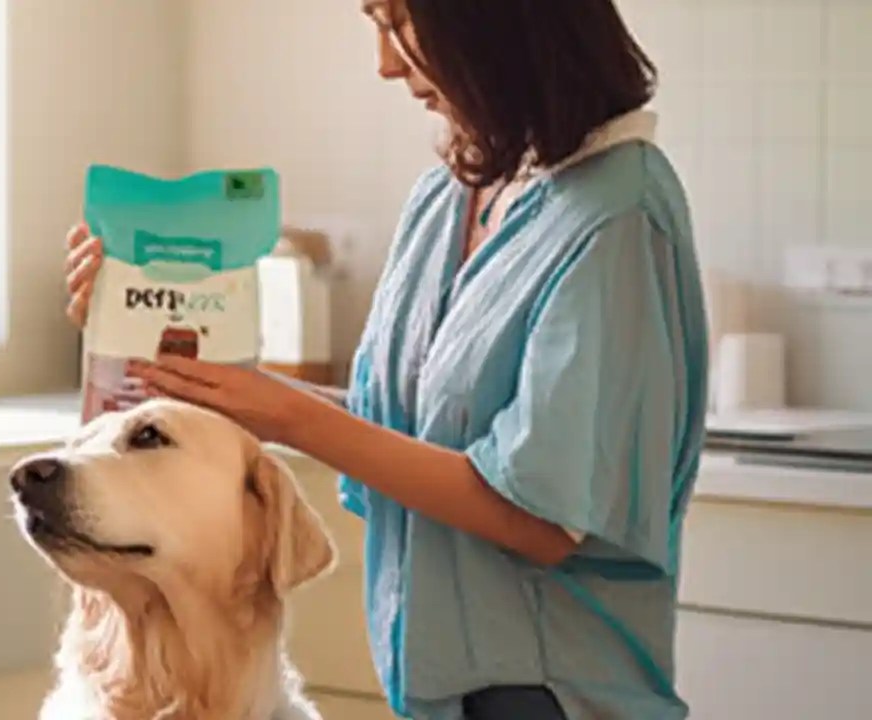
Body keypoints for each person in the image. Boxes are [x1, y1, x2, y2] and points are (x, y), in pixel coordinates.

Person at [62, 0, 708, 717]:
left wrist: (285, 415)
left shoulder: (617, 215)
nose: (386, 63)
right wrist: (150, 331)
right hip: (434, 692)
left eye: (399, 23)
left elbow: (542, 517)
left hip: (553, 698)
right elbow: (396, 434)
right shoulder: (448, 197)